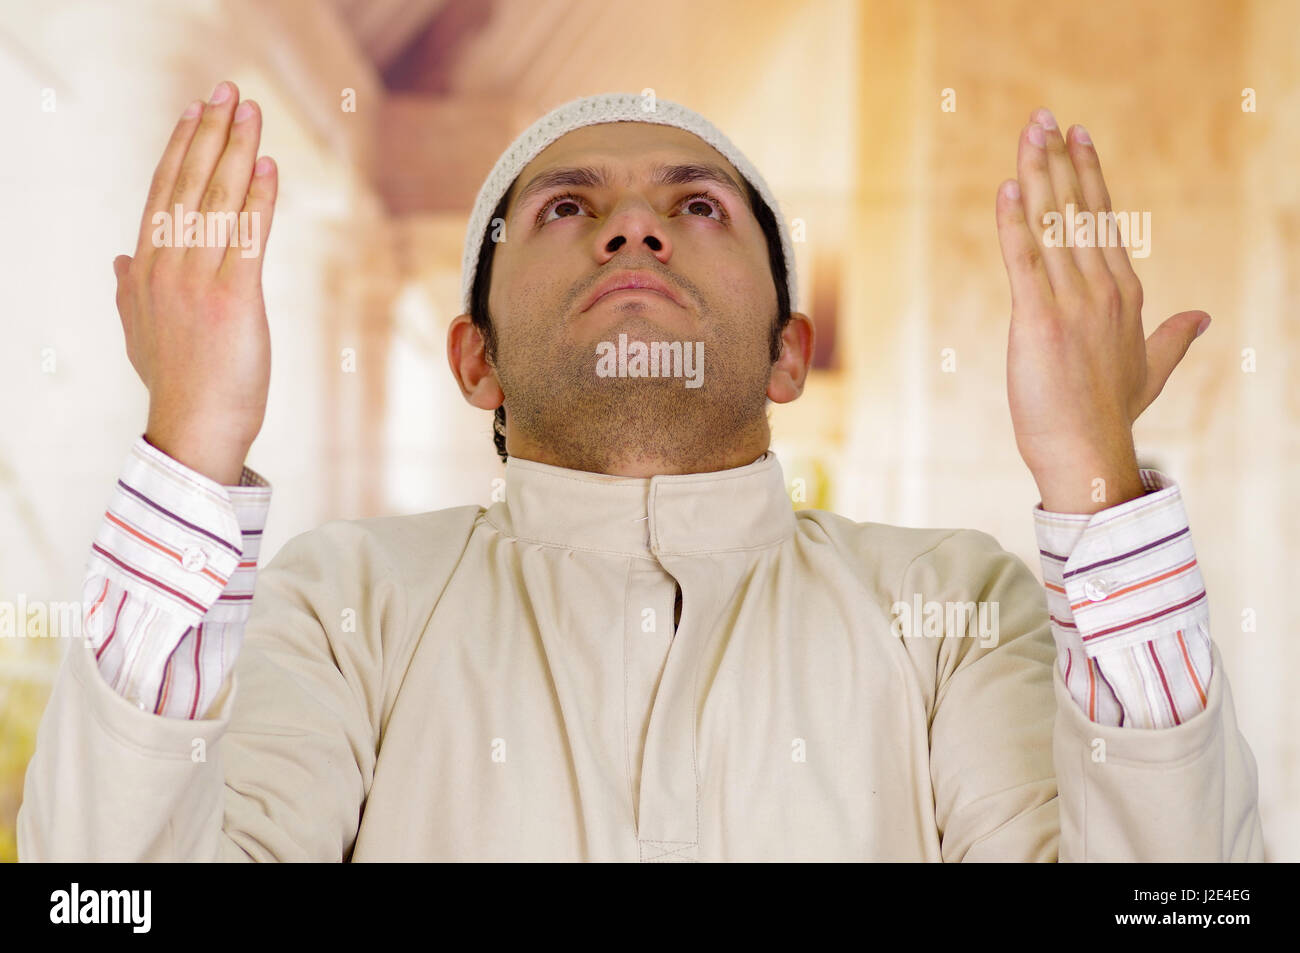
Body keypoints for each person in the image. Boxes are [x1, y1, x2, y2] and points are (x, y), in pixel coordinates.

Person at [17, 86, 1262, 861]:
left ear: (788, 354)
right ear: (477, 359)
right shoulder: (348, 603)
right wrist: (188, 450)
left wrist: (1094, 487)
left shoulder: (952, 609)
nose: (633, 227)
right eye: (565, 208)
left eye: (698, 207)